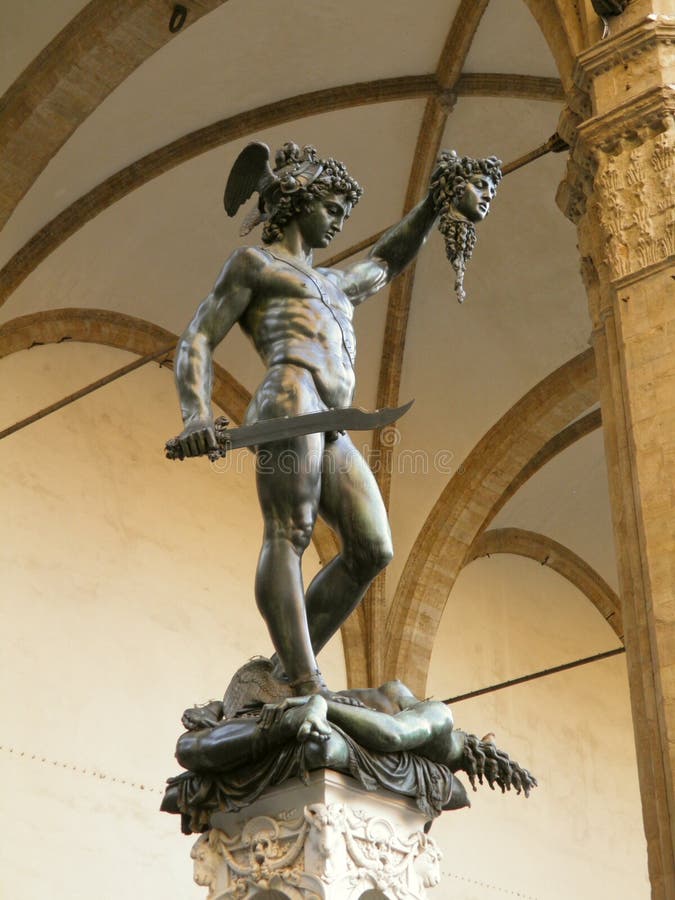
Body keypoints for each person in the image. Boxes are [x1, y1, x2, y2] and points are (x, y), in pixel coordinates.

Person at [168, 142, 500, 696]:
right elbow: (199, 335)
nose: (341, 221)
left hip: (333, 419)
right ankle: (303, 678)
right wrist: (195, 414)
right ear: (298, 201)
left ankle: (279, 673)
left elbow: (387, 261)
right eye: (333, 209)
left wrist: (433, 204)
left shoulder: (335, 285)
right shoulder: (255, 264)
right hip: (290, 395)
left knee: (373, 548)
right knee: (290, 531)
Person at [161, 676, 536, 832]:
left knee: (190, 749)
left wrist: (318, 707)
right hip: (284, 702)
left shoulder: (429, 755)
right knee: (188, 750)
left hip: (305, 717)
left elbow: (392, 739)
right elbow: (391, 735)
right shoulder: (437, 716)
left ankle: (219, 721)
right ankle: (219, 718)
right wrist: (319, 706)